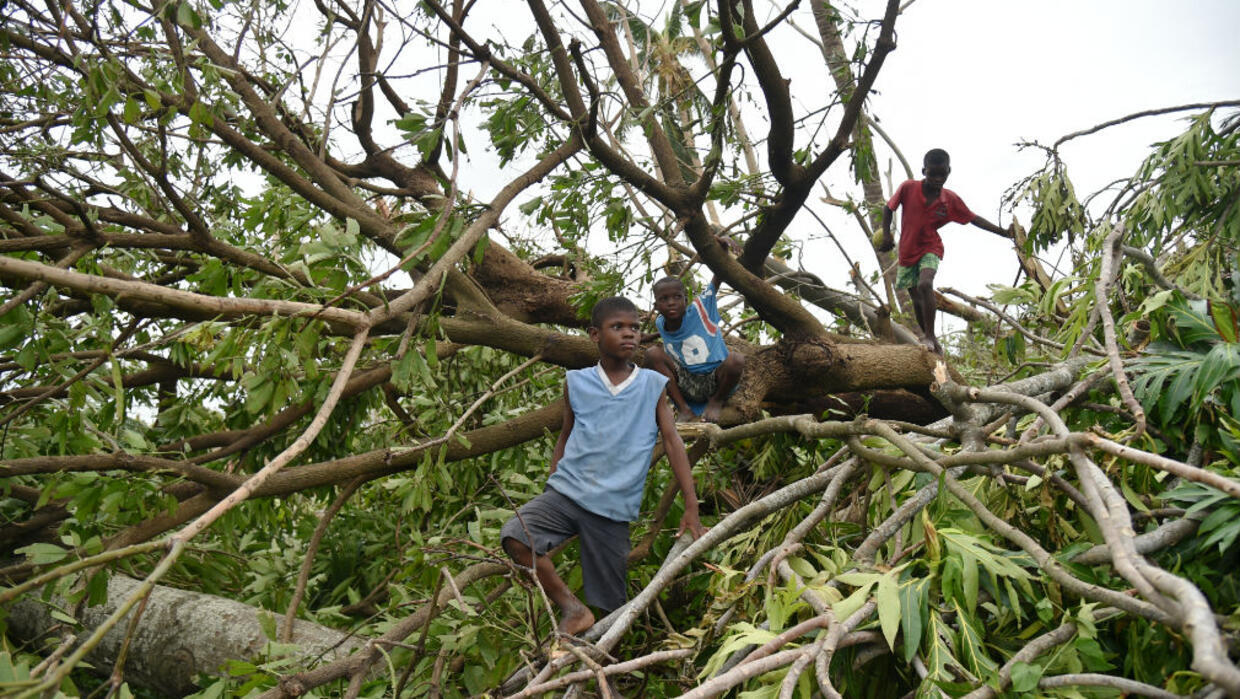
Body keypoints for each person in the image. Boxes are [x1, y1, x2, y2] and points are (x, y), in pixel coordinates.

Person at [500, 296, 707, 637]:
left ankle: (602, 675)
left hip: (612, 509)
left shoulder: (652, 385)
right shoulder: (577, 381)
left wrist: (690, 504)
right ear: (595, 335)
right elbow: (566, 436)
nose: (630, 335)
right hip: (567, 493)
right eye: (618, 327)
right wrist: (553, 482)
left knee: (611, 609)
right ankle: (572, 608)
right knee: (516, 536)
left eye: (635, 328)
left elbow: (672, 441)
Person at [879, 148, 1014, 354]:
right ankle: (928, 339)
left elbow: (973, 219)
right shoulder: (908, 188)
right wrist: (887, 235)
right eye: (932, 173)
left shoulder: (949, 200)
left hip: (930, 247)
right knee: (915, 297)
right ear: (924, 170)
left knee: (925, 284)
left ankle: (931, 336)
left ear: (949, 171)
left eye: (942, 174)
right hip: (906, 252)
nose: (937, 178)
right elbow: (889, 208)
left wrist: (1004, 232)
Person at [645, 247, 746, 422]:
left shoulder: (701, 309)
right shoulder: (660, 322)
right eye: (664, 299)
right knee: (652, 354)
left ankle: (716, 402)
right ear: (657, 305)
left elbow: (718, 275)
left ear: (686, 299)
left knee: (736, 360)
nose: (671, 303)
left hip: (715, 378)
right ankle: (684, 409)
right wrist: (647, 337)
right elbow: (669, 333)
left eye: (677, 297)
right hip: (686, 382)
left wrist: (717, 246)